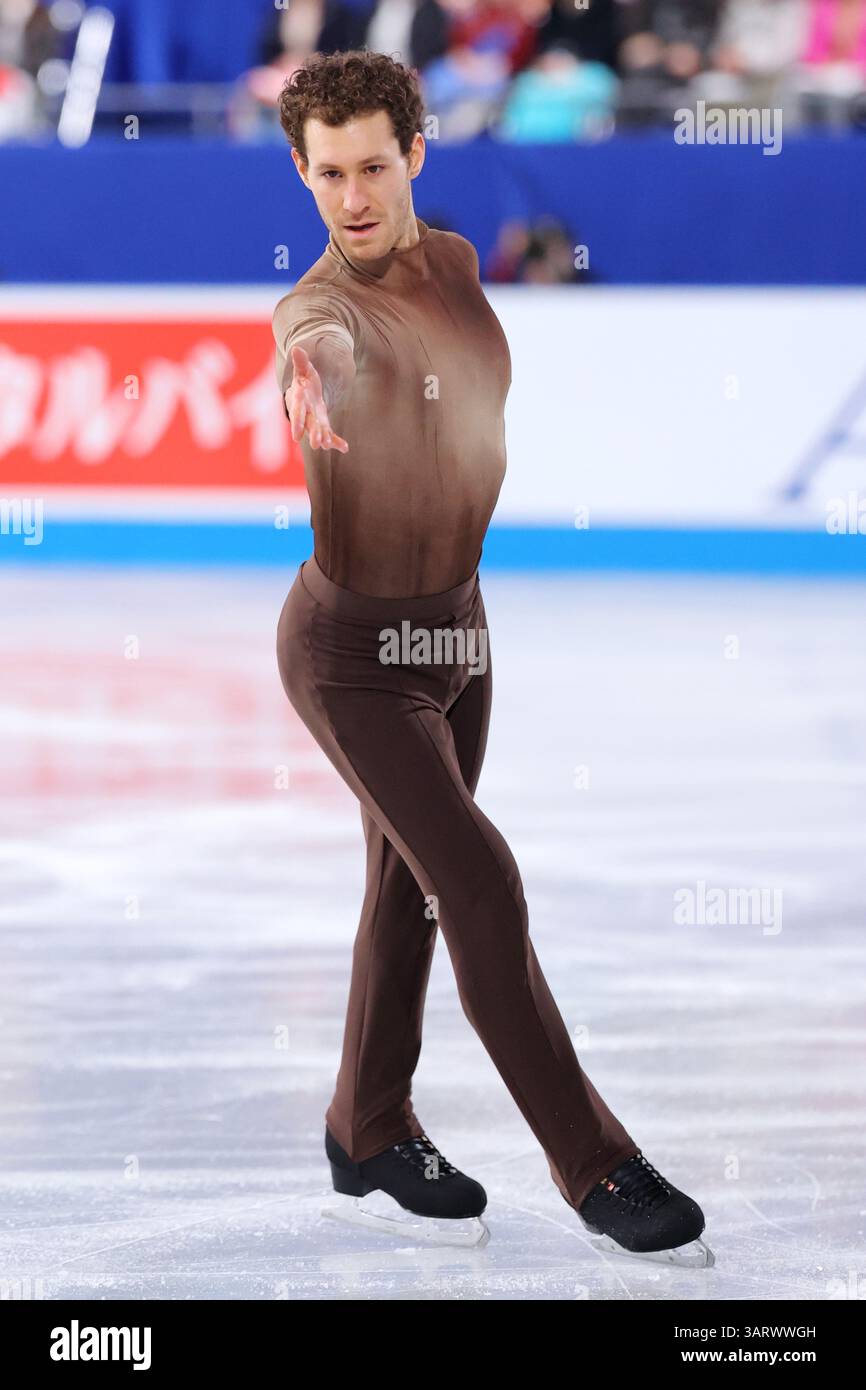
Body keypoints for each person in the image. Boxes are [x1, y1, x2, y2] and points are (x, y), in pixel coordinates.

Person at [271, 47, 713, 1264]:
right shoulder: (319, 306)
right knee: (476, 879)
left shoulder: (459, 264)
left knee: (406, 887)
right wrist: (311, 373)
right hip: (351, 655)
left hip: (457, 633)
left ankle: (366, 1127)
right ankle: (598, 1167)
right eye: (327, 174)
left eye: (372, 166)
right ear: (302, 174)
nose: (353, 197)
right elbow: (315, 339)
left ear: (414, 153)